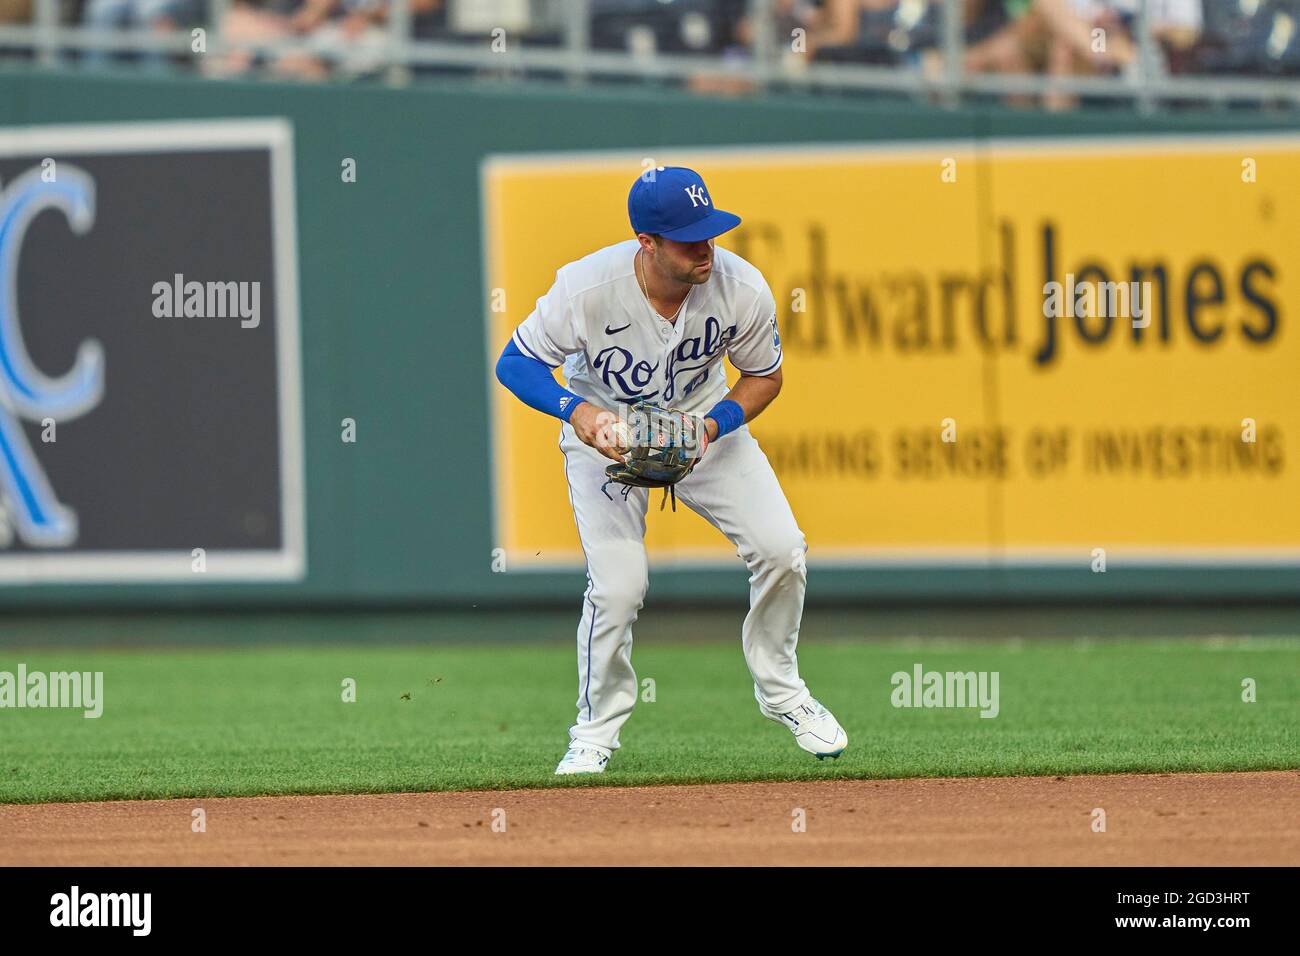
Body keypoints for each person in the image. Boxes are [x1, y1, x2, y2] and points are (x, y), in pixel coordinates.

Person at [494, 167, 848, 775]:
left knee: (783, 548)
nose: (705, 247)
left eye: (709, 233)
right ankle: (594, 735)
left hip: (700, 426)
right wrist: (577, 412)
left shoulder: (742, 286)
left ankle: (784, 694)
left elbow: (764, 375)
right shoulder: (586, 288)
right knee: (619, 586)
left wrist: (713, 426)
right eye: (688, 239)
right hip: (607, 435)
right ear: (647, 242)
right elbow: (516, 362)